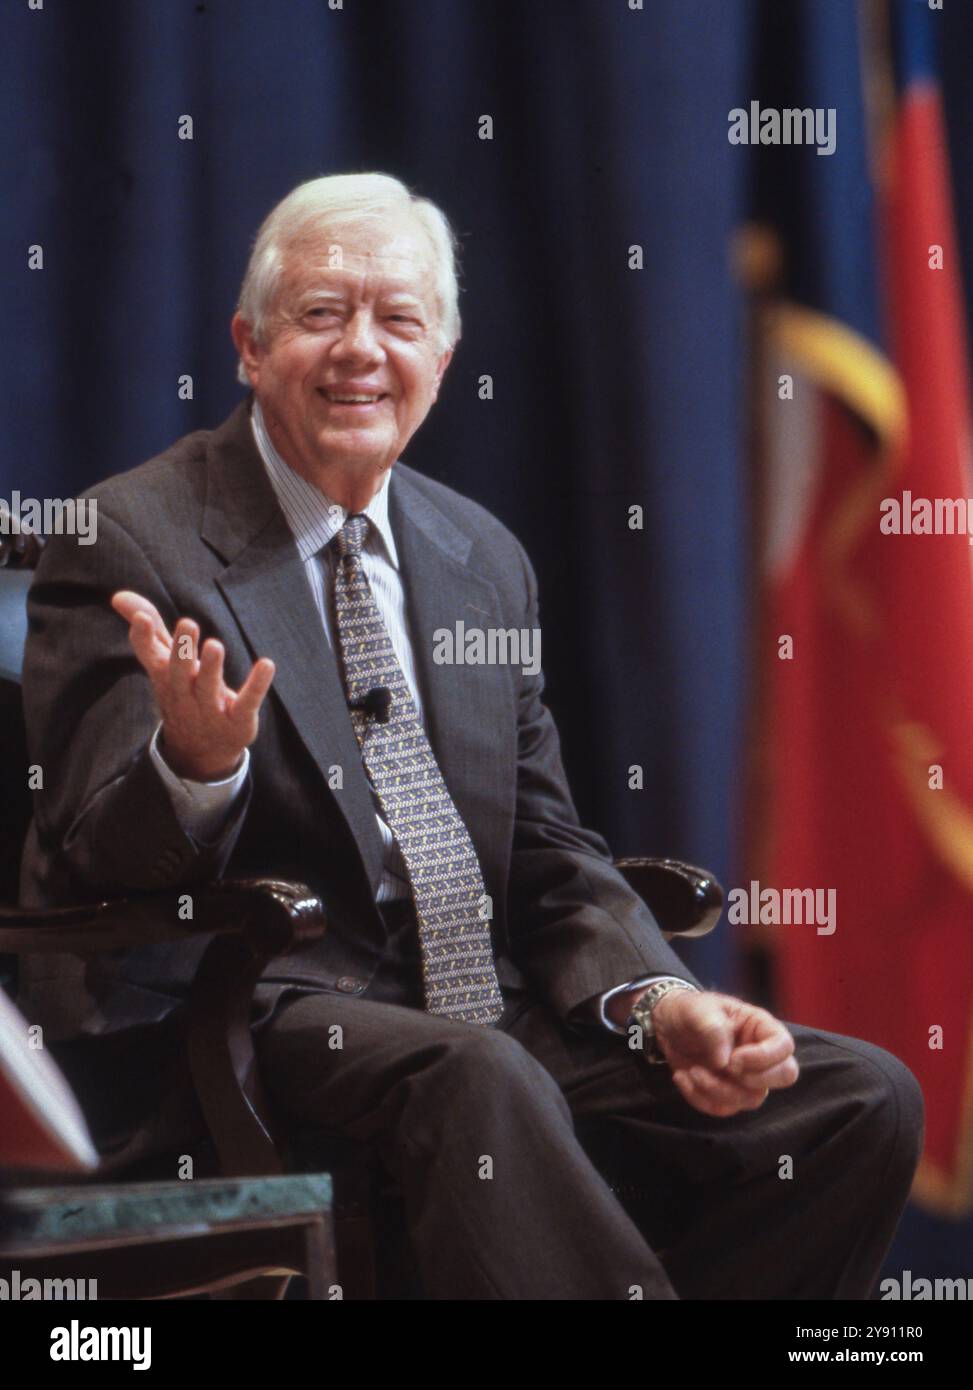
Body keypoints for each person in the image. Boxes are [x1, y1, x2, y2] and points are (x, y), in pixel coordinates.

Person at [19, 173, 923, 1300]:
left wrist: (656, 998)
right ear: (249, 347)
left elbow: (544, 846)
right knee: (479, 1075)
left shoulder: (479, 557)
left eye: (398, 320)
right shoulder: (133, 535)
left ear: (440, 363)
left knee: (860, 1100)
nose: (360, 349)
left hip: (485, 1010)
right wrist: (196, 769)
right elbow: (95, 858)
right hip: (257, 1009)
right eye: (318, 315)